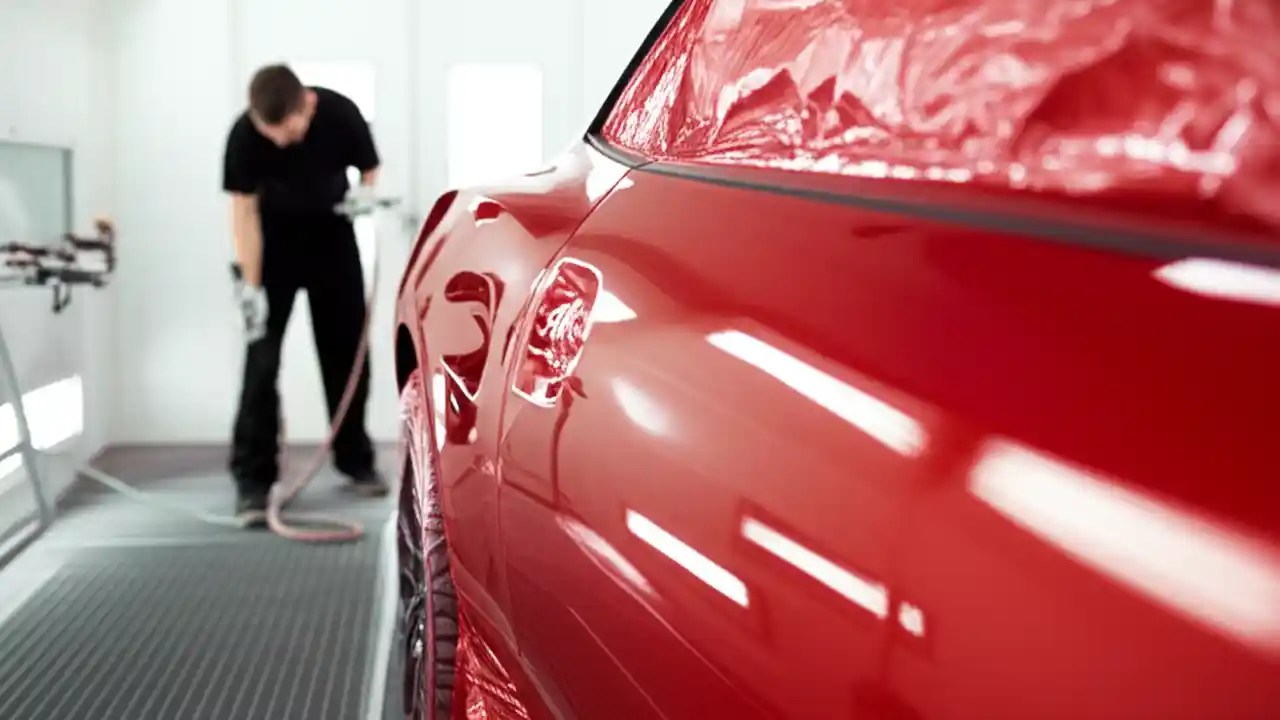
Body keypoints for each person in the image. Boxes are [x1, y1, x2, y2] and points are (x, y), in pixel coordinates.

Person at [222, 63, 388, 524]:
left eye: (286, 130)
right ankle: (253, 482)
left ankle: (355, 459)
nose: (278, 140)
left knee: (346, 355)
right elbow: (244, 215)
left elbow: (371, 169)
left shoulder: (340, 114)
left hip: (332, 240)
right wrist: (251, 287)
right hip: (271, 249)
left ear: (307, 105)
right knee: (261, 363)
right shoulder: (244, 136)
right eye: (268, 132)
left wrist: (366, 198)